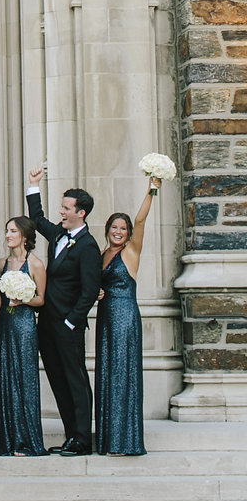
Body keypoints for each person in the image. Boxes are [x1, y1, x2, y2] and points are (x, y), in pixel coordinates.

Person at [26, 168, 101, 456]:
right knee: (57, 380)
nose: (62, 211)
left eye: (66, 208)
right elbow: (37, 219)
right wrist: (34, 186)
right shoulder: (59, 234)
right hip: (47, 323)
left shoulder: (88, 246)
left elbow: (90, 290)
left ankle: (83, 439)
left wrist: (72, 321)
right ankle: (71, 436)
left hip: (68, 327)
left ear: (81, 213)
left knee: (75, 380)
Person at [96, 176, 162, 456]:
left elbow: (142, 220)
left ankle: (125, 440)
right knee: (107, 374)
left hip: (124, 317)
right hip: (104, 319)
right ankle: (108, 439)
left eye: (123, 228)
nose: (119, 231)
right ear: (107, 230)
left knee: (122, 374)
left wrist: (151, 191)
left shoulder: (131, 252)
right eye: (114, 227)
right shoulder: (100, 254)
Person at [0, 215, 46, 457]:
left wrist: (23, 299)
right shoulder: (2, 264)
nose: (8, 235)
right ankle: (7, 440)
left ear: (24, 235)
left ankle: (25, 441)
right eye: (7, 231)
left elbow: (41, 300)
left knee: (24, 380)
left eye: (12, 231)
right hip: (4, 326)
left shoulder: (35, 264)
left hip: (24, 327)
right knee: (5, 380)